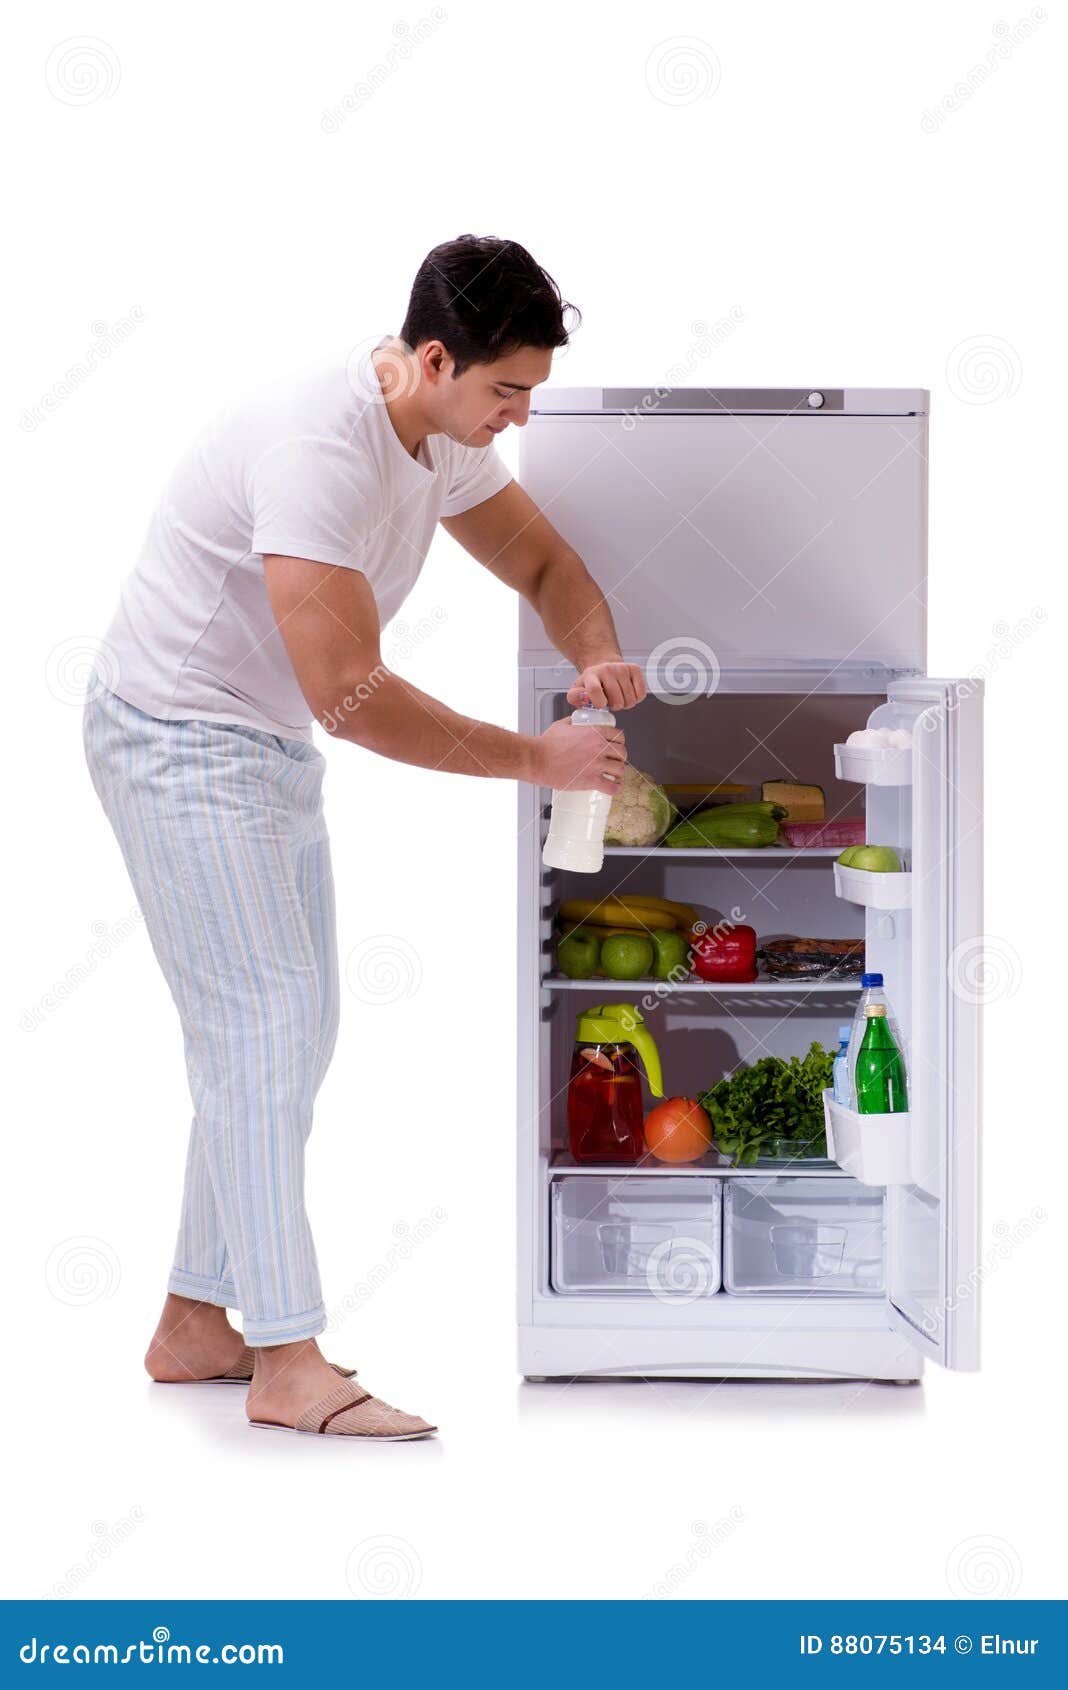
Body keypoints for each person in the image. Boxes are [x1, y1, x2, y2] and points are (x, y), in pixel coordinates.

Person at [83, 234, 646, 1441]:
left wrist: (592, 646)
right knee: (265, 1026)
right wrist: (535, 761)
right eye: (506, 393)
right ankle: (288, 1360)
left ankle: (195, 1321)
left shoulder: (437, 428)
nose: (517, 419)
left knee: (289, 1029)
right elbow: (348, 691)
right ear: (433, 359)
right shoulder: (315, 449)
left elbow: (543, 559)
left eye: (530, 395)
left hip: (260, 741)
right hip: (176, 734)